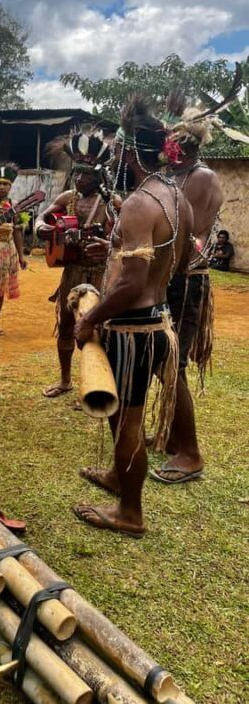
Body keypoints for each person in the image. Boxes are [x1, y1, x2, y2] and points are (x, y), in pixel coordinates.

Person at [72, 95, 193, 538]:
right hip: (157, 322)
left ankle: (130, 512)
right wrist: (117, 252)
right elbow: (174, 261)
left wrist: (90, 319)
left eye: (119, 151)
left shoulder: (140, 204)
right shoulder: (177, 198)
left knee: (127, 421)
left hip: (133, 330)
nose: (115, 158)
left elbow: (131, 284)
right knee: (121, 415)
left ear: (131, 151)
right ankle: (117, 476)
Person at [148, 108, 223, 484]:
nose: (169, 146)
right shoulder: (171, 175)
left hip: (186, 280)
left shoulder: (201, 177)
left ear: (186, 143)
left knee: (171, 364)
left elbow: (182, 232)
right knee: (163, 360)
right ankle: (174, 438)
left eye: (175, 140)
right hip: (169, 277)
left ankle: (190, 454)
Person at [35, 132, 112, 400]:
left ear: (99, 176)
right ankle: (65, 380)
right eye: (77, 174)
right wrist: (42, 228)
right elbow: (41, 218)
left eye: (87, 175)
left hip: (98, 273)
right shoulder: (68, 197)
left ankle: (93, 385)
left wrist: (107, 244)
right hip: (71, 272)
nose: (80, 179)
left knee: (93, 331)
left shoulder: (112, 203)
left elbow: (124, 238)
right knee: (66, 326)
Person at [0, 162, 27, 334]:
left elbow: (17, 232)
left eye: (5, 184)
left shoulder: (15, 207)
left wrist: (21, 256)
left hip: (6, 251)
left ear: (10, 186)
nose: (1, 187)